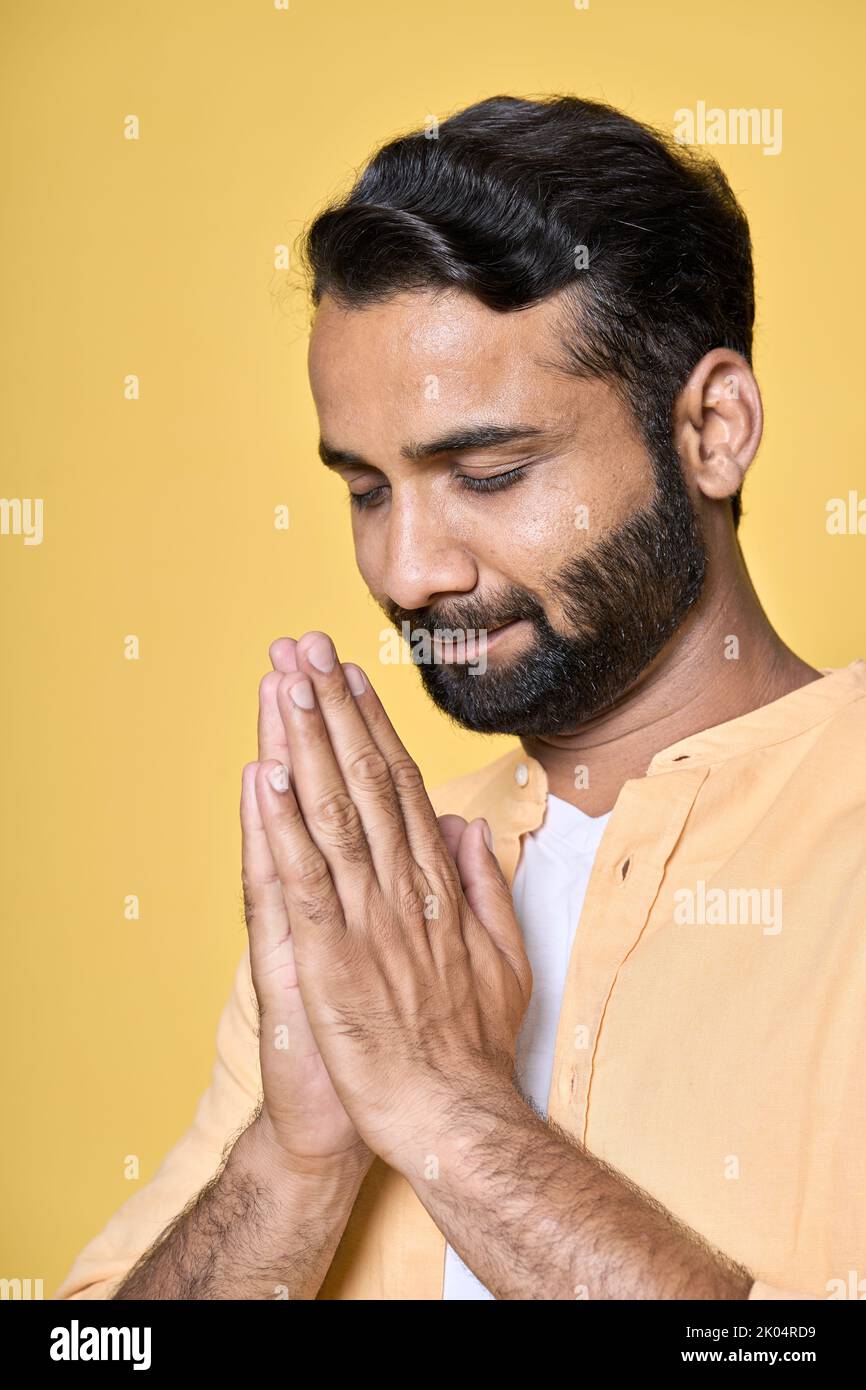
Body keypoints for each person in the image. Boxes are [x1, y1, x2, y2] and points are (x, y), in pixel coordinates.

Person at [56, 95, 866, 1301]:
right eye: (367, 489)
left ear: (711, 428)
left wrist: (443, 1108)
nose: (405, 569)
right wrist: (292, 1159)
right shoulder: (380, 894)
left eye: (485, 473)